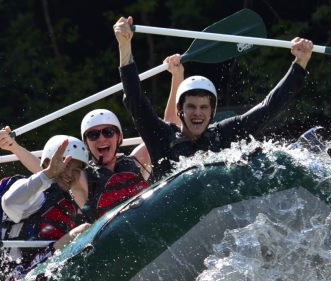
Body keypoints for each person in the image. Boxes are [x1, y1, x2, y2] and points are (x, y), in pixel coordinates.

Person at [114, 16, 314, 182]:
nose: (198, 113)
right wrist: (125, 46)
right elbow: (135, 101)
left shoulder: (224, 134)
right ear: (180, 111)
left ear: (212, 112)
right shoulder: (162, 137)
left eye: (203, 107)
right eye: (191, 106)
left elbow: (269, 107)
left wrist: (300, 64)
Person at [0, 136, 91, 281]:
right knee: (83, 230)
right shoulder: (33, 191)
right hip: (17, 280)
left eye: (76, 170)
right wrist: (48, 173)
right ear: (48, 163)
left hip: (46, 272)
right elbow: (9, 202)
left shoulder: (69, 203)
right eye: (66, 165)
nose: (70, 174)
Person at [78, 109, 150, 221]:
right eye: (93, 135)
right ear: (85, 144)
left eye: (108, 132)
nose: (101, 139)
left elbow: (165, 129)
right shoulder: (81, 179)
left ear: (120, 137)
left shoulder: (137, 162)